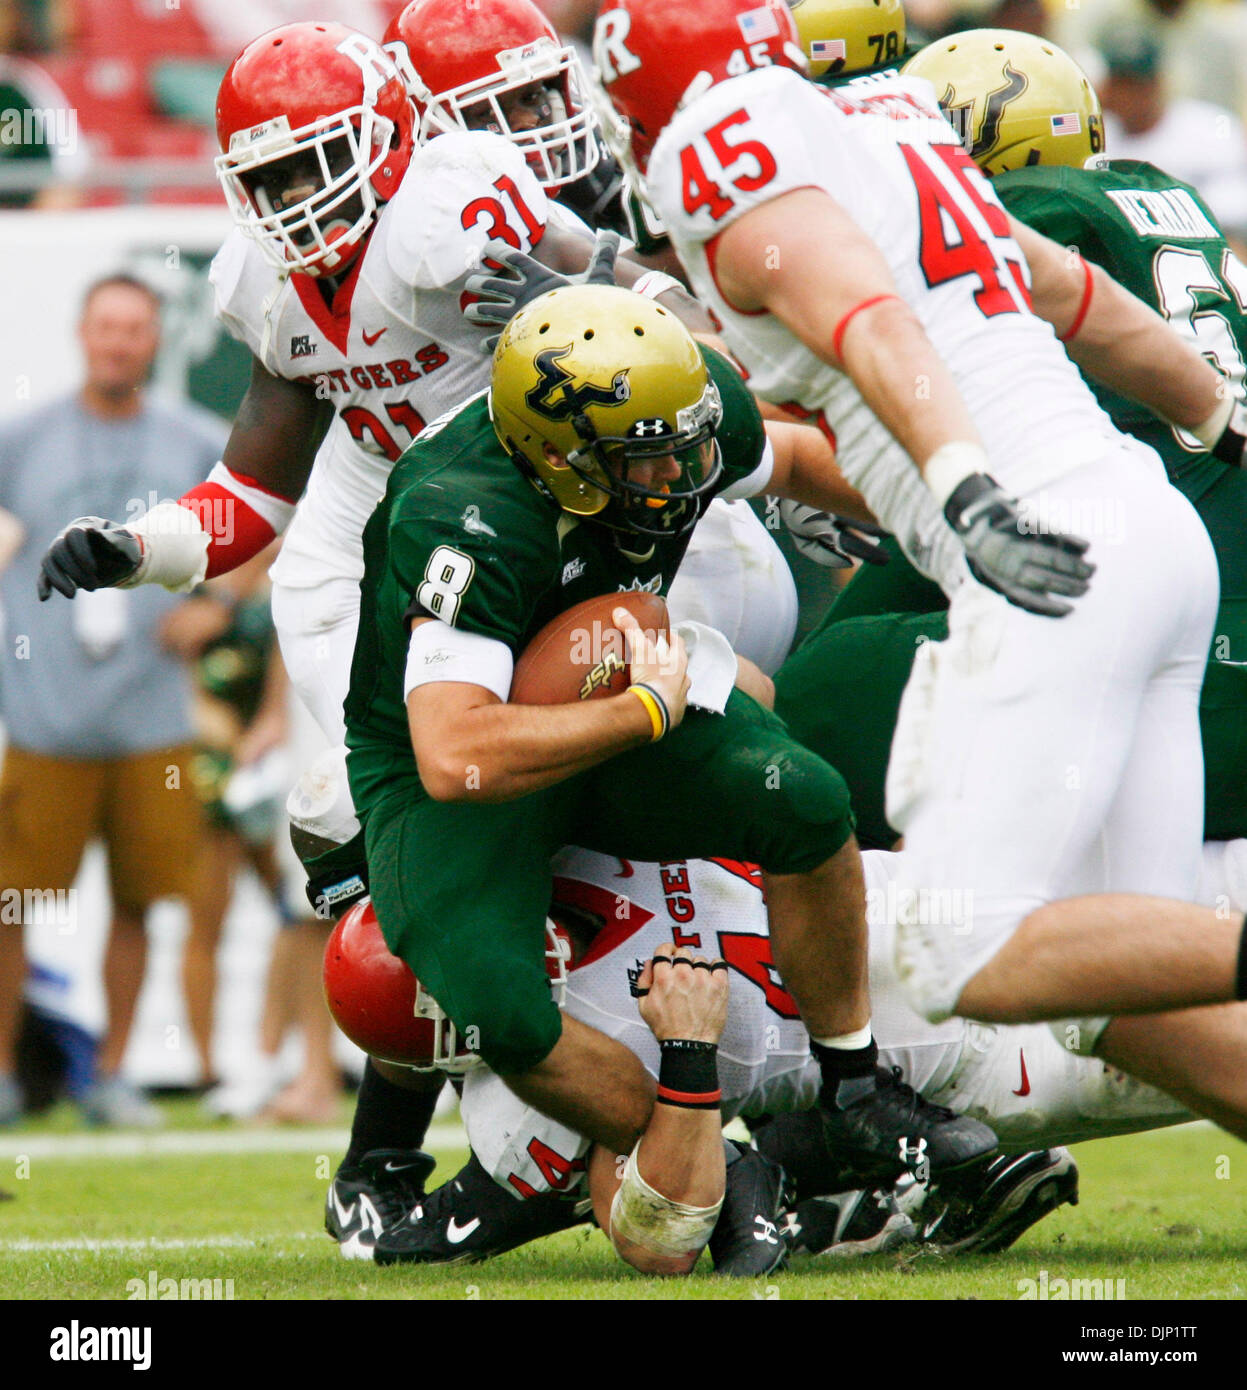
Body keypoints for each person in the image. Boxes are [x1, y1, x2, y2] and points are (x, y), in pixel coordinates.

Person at [595, 0, 1247, 1076]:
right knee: (1127, 980)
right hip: (1153, 536)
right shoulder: (886, 128)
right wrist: (1221, 417)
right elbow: (1069, 293)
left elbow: (866, 317)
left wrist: (961, 486)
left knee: (956, 949)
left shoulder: (723, 152)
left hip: (1048, 549)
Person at [343, 280, 1000, 1268]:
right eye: (648, 457)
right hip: (463, 762)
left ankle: (854, 1088)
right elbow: (453, 752)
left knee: (805, 800)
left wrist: (952, 524)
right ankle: (708, 1150)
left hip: (616, 690)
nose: (684, 469)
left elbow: (790, 456)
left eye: (685, 440)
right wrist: (637, 711)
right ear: (557, 461)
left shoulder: (686, 417)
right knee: (499, 1006)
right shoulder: (463, 513)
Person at [0, 274, 226, 1127]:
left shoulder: (194, 439)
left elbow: (258, 537)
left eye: (135, 328)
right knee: (11, 901)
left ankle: (113, 1072)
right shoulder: (23, 438)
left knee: (141, 902)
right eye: (107, 327)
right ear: (82, 333)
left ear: (155, 339)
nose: (120, 342)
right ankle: (8, 1076)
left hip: (150, 718)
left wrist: (219, 604)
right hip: (44, 717)